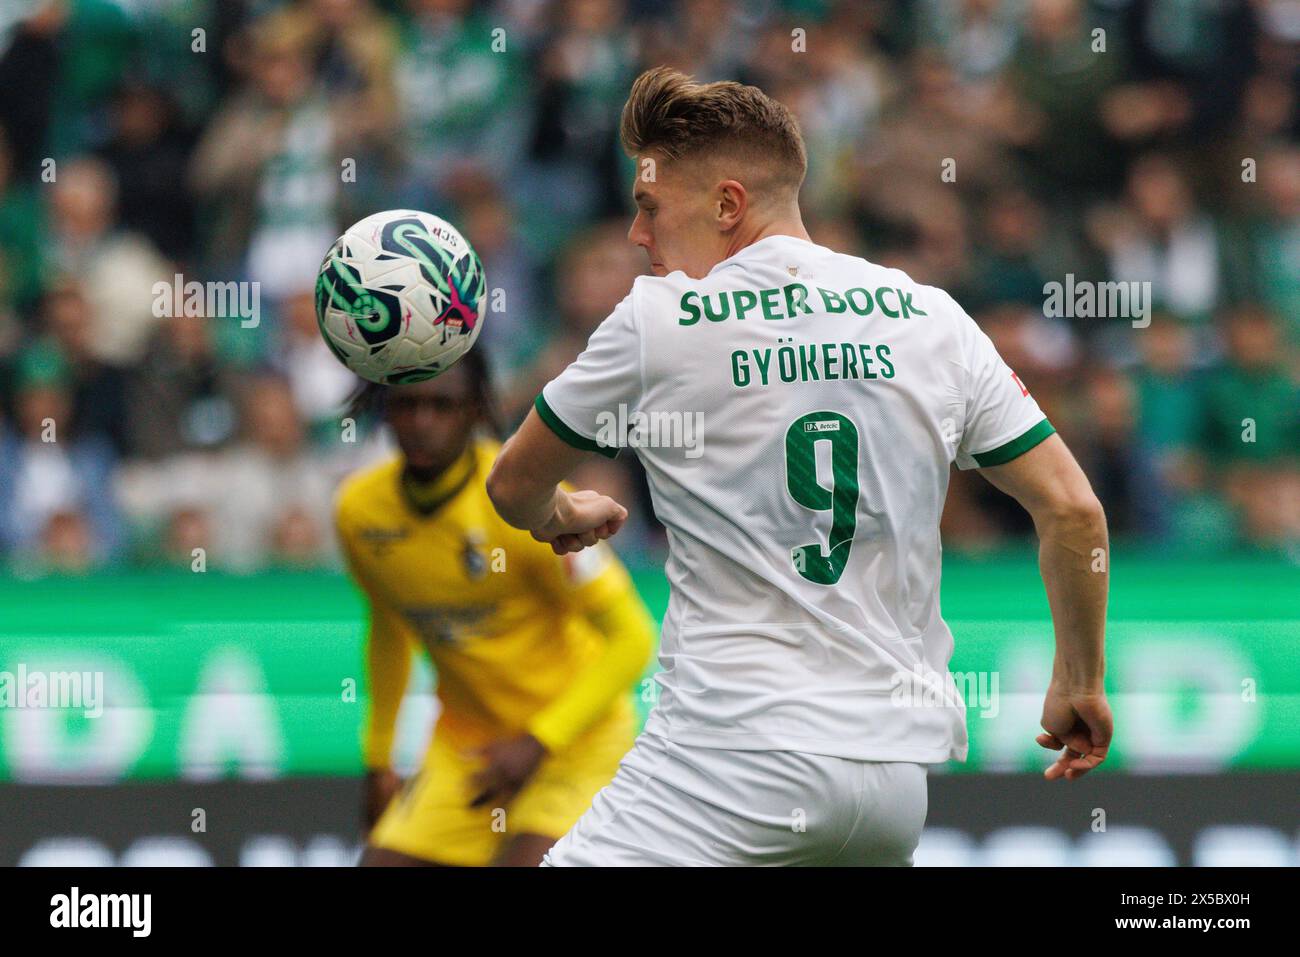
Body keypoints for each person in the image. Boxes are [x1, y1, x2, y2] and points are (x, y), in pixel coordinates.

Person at [487, 67, 1112, 867]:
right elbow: (1075, 511)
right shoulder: (932, 317)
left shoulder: (658, 318)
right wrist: (1079, 679)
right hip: (890, 786)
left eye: (649, 208)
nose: (638, 237)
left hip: (731, 762)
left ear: (727, 204)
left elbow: (511, 485)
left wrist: (564, 515)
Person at [335, 349, 656, 866]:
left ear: (476, 412)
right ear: (384, 408)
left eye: (443, 406)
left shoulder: (534, 503)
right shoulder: (359, 512)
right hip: (470, 752)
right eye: (407, 405)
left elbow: (633, 638)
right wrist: (378, 761)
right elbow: (390, 629)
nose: (422, 423)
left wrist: (537, 743)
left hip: (573, 745)